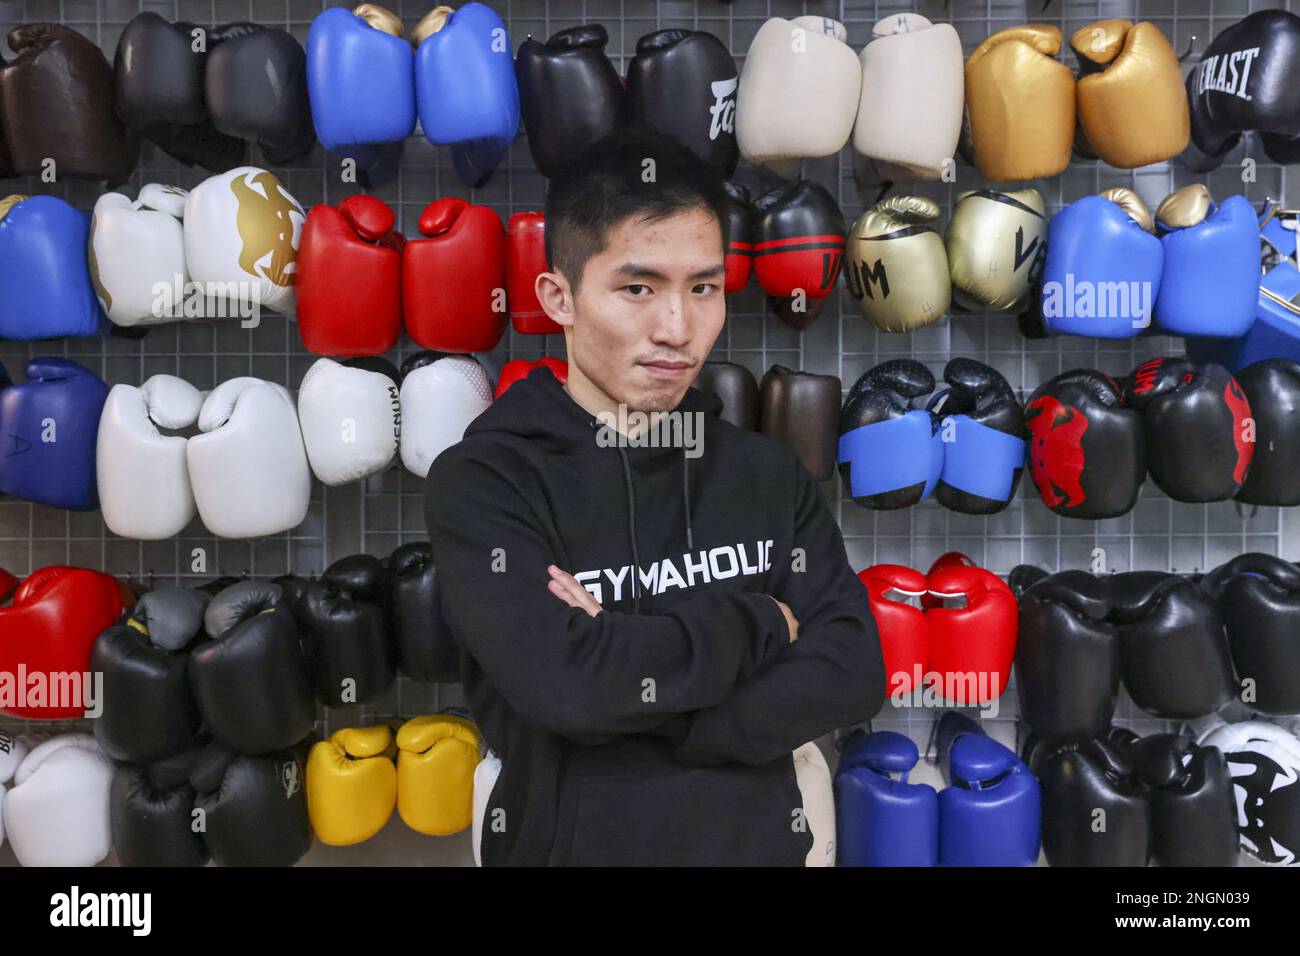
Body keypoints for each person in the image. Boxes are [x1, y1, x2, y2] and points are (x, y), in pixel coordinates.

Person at [425, 133, 884, 866]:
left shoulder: (763, 474)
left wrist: (629, 680)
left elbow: (853, 671)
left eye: (702, 288)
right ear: (559, 298)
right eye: (638, 288)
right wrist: (761, 620)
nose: (677, 330)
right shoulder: (487, 482)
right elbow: (568, 689)